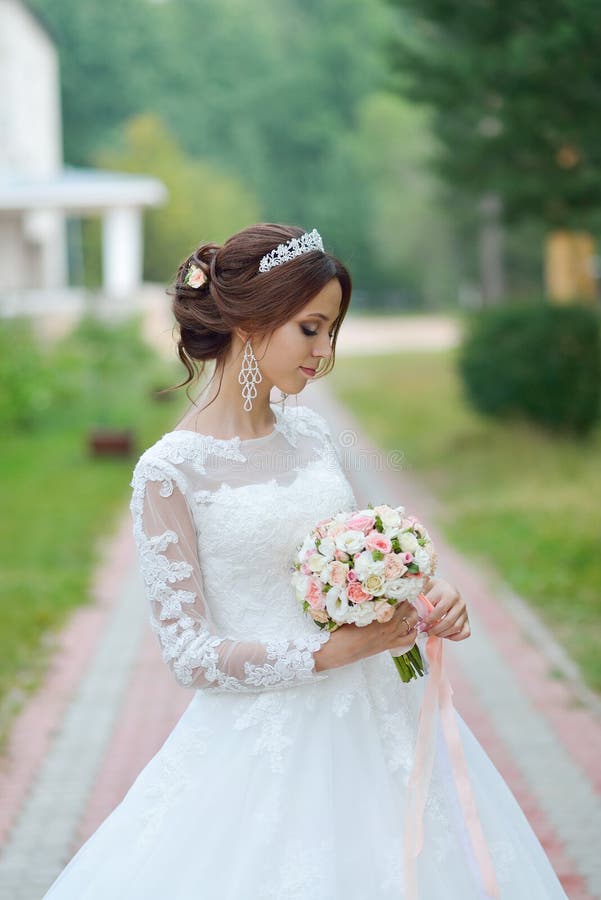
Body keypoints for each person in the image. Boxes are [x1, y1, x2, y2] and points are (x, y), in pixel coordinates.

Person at [42, 223, 568, 898]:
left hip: (383, 711)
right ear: (250, 321)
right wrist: (329, 654)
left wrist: (427, 591)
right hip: (268, 739)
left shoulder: (313, 434)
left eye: (333, 331)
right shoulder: (170, 472)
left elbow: (363, 547)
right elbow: (190, 654)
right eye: (310, 328)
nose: (323, 353)